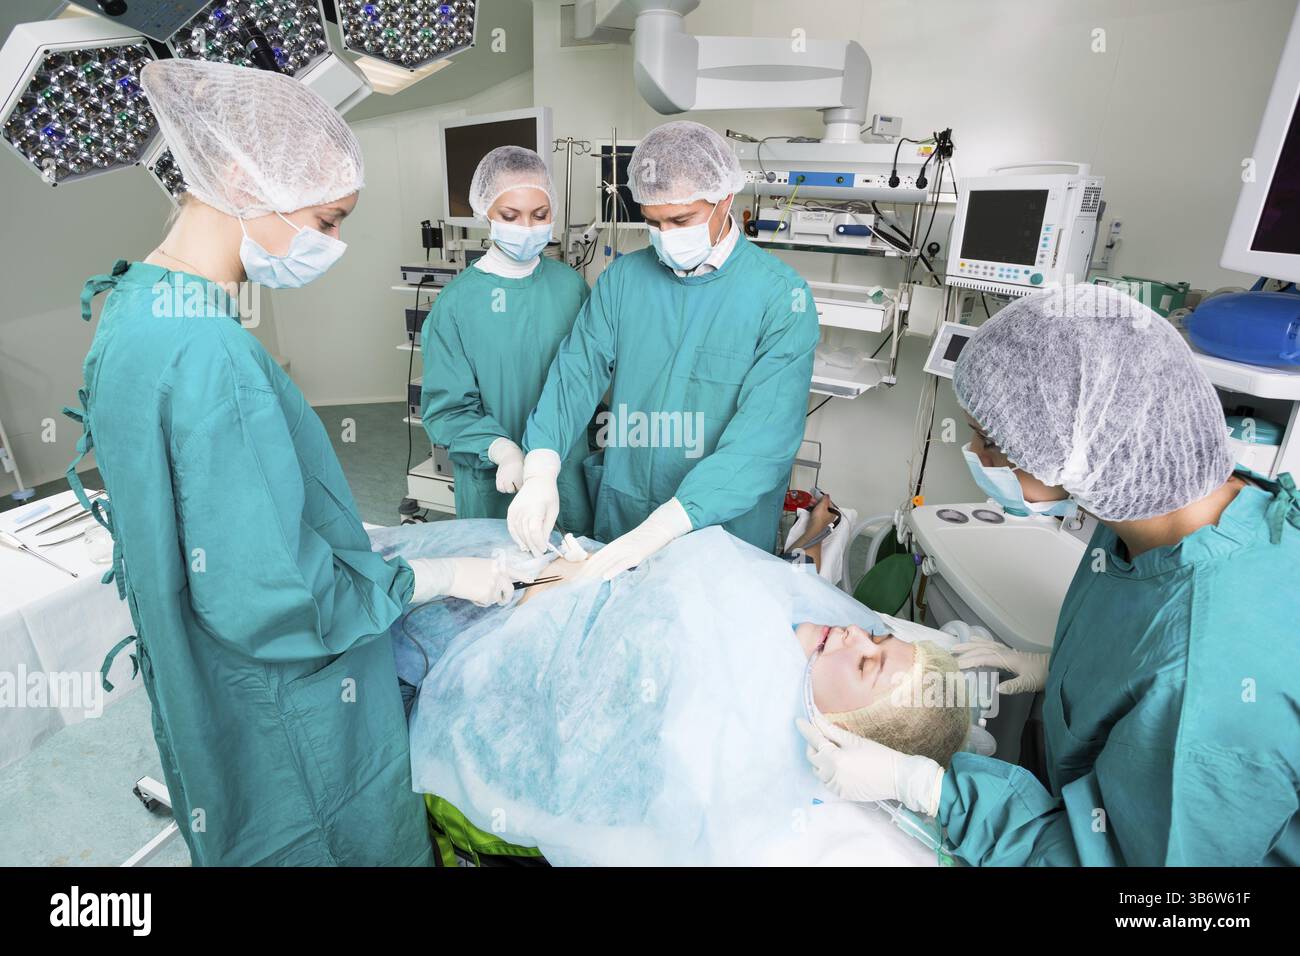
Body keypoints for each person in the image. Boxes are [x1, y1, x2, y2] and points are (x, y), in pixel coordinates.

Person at [65, 59, 512, 866]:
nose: (333, 244)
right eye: (330, 218)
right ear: (240, 176)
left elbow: (212, 517)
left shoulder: (133, 310)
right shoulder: (213, 353)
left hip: (210, 690)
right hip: (290, 707)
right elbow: (279, 597)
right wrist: (427, 580)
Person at [798, 283, 1300, 866]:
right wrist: (1059, 669)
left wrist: (932, 792)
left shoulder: (1202, 682)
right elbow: (1141, 627)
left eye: (990, 441)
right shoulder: (1157, 507)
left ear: (1081, 449)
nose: (976, 455)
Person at [376, 518, 971, 865]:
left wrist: (548, 605)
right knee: (391, 564)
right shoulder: (792, 612)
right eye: (874, 637)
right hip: (538, 578)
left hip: (495, 636)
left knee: (370, 602)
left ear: (845, 734)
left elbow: (566, 728)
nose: (851, 634)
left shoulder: (730, 742)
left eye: (866, 666)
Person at [506, 120, 818, 579]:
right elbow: (577, 371)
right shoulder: (625, 279)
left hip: (717, 523)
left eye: (681, 220)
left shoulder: (780, 297)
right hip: (627, 501)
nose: (666, 235)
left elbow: (763, 441)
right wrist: (541, 464)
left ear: (725, 199)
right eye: (653, 222)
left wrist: (667, 525)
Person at [421, 146, 592, 533]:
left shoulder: (571, 287)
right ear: (486, 214)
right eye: (510, 216)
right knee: (497, 580)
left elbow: (590, 380)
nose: (528, 228)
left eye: (540, 215)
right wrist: (501, 450)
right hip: (493, 481)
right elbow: (447, 409)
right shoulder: (457, 305)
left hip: (564, 473)